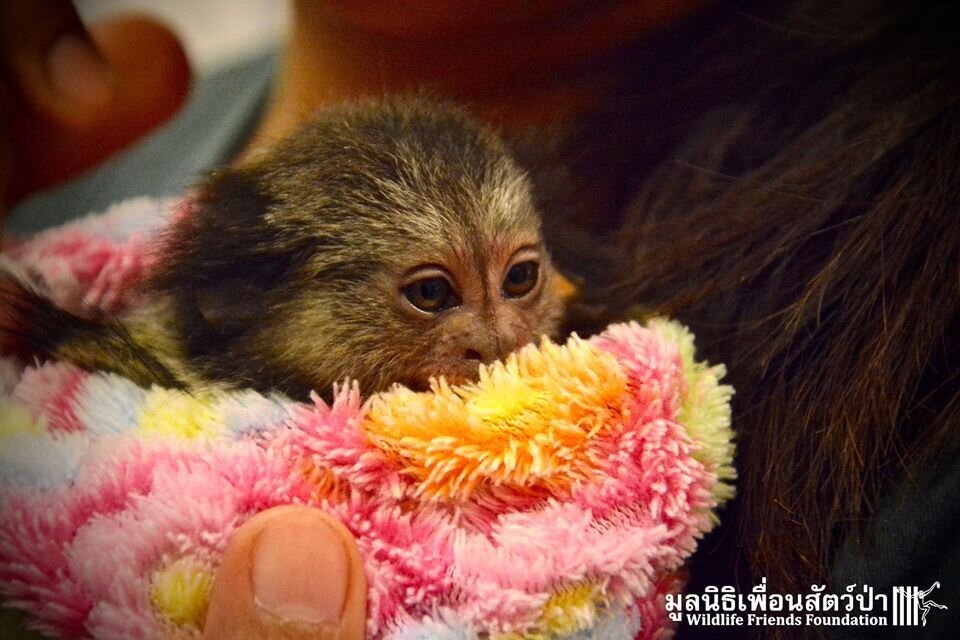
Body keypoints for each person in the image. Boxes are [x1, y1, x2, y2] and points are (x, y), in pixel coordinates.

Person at [2, 1, 957, 639]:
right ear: (237, 299)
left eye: (523, 281)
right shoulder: (71, 171)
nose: (504, 340)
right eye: (431, 294)